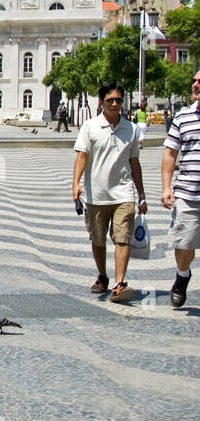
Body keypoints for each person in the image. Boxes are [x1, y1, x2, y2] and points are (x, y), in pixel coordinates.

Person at [73, 82, 146, 303]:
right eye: (110, 100)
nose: (115, 104)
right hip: (96, 194)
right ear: (101, 102)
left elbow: (134, 163)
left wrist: (141, 194)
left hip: (124, 193)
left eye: (118, 100)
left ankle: (119, 282)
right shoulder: (90, 127)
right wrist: (75, 183)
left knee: (122, 238)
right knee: (98, 240)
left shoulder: (131, 129)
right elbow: (82, 156)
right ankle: (103, 276)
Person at [161, 73, 200, 308]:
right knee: (184, 244)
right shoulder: (183, 117)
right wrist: (166, 187)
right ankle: (183, 274)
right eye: (195, 81)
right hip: (188, 193)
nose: (195, 85)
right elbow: (170, 154)